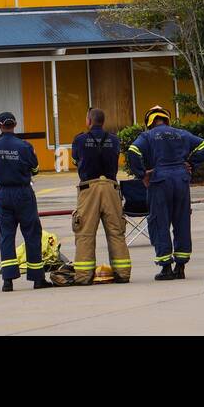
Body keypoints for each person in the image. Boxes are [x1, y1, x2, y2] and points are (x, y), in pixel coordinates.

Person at [126, 106, 204, 280]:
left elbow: (133, 151)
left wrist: (142, 174)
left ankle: (166, 268)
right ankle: (180, 266)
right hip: (181, 180)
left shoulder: (147, 136)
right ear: (166, 119)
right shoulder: (181, 133)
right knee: (182, 221)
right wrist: (192, 163)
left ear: (150, 121)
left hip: (159, 181)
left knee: (159, 223)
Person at [69, 108, 132, 284]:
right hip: (112, 189)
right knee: (116, 232)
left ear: (89, 121)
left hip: (89, 189)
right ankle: (123, 273)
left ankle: (83, 276)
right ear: (103, 122)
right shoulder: (114, 139)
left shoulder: (80, 140)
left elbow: (76, 160)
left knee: (85, 233)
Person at [0, 111, 47, 291]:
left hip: (3, 193)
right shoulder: (25, 147)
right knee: (31, 233)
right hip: (23, 193)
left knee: (6, 236)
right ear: (15, 124)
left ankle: (8, 280)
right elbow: (35, 169)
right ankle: (37, 279)